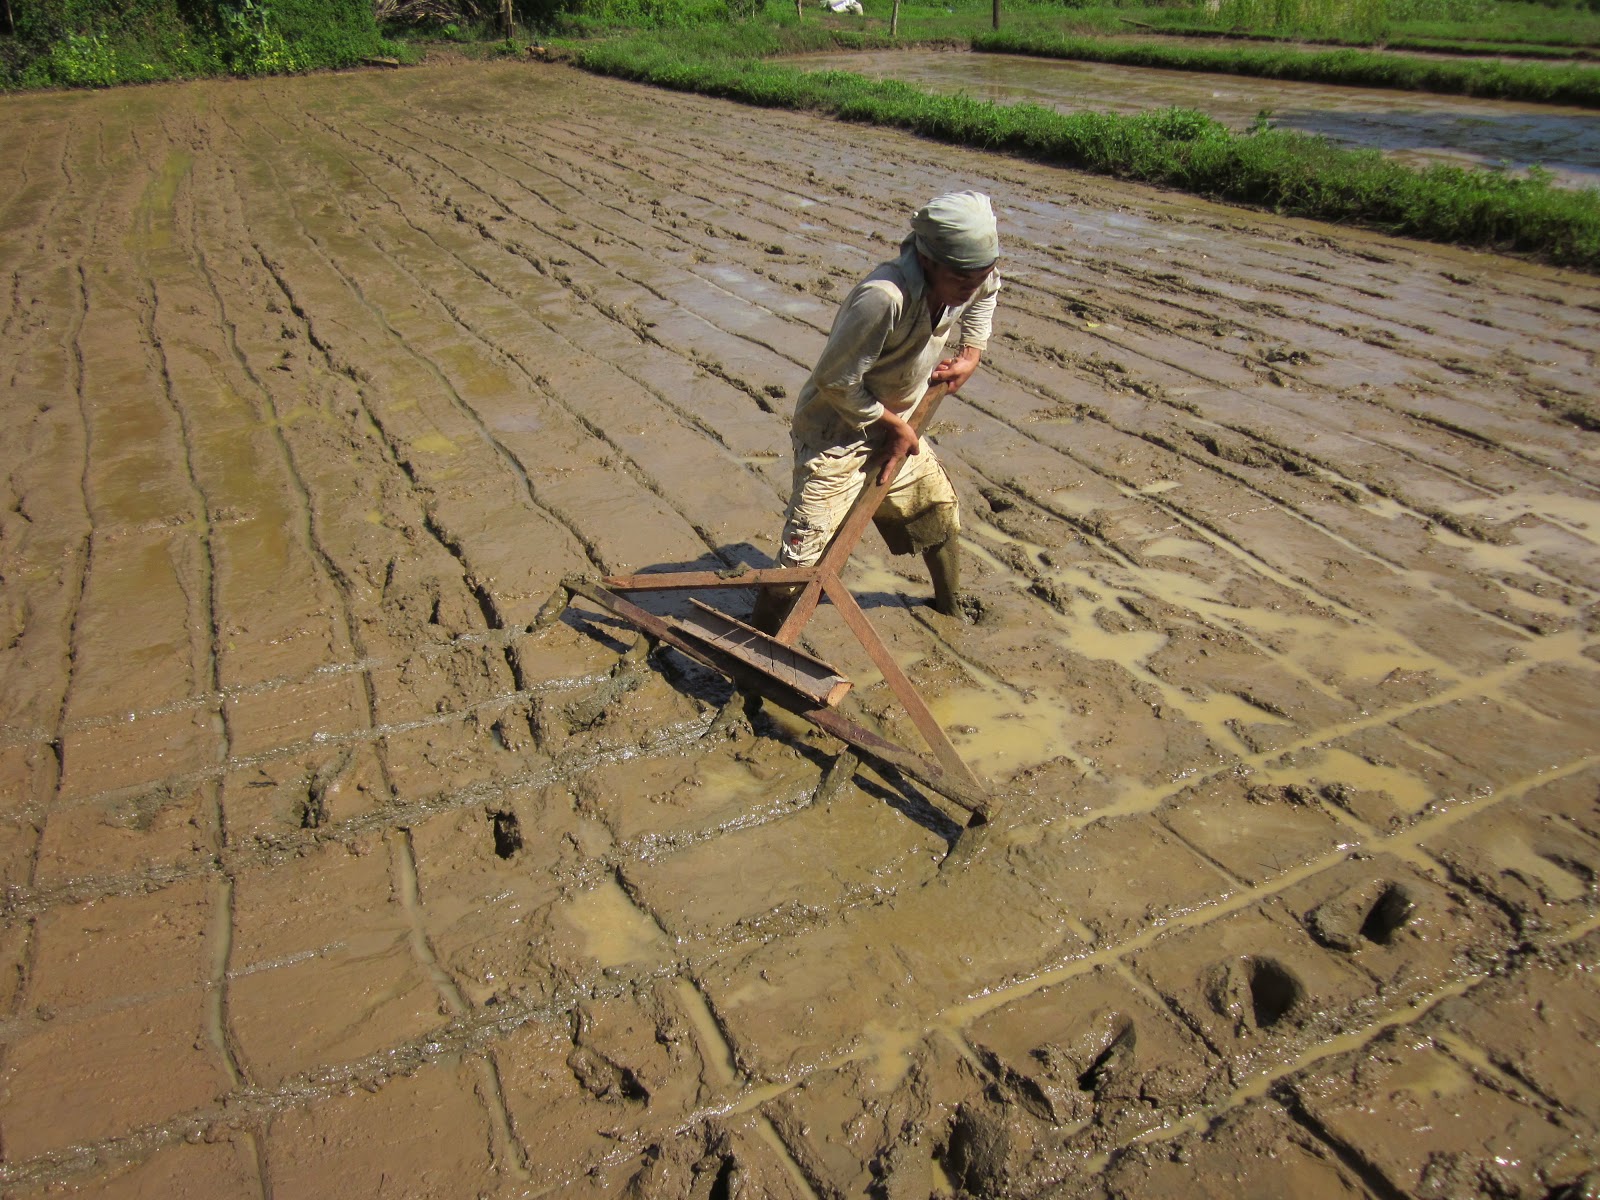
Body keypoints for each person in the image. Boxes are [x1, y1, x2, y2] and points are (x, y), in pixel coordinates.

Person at [751, 190, 1002, 633]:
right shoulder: (884, 297)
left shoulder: (969, 276)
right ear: (930, 261)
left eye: (977, 278)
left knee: (937, 513)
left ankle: (949, 608)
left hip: (900, 426)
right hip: (837, 434)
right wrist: (896, 427)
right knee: (800, 564)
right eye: (964, 282)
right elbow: (836, 381)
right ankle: (758, 646)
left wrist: (972, 351)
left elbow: (988, 290)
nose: (972, 289)